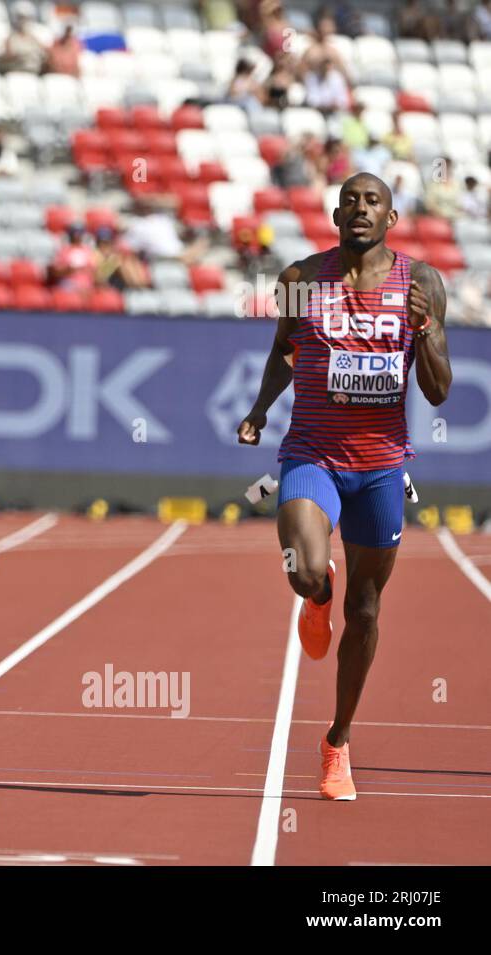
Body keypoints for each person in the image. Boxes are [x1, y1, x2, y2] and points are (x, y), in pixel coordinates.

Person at [238, 172, 452, 800]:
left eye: (373, 201)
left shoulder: (421, 284)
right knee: (307, 570)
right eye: (351, 201)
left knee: (366, 611)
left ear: (391, 218)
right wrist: (258, 411)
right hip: (312, 452)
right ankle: (314, 595)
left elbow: (438, 389)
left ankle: (337, 742)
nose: (361, 209)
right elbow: (284, 352)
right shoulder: (302, 280)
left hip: (383, 467)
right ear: (336, 215)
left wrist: (428, 331)